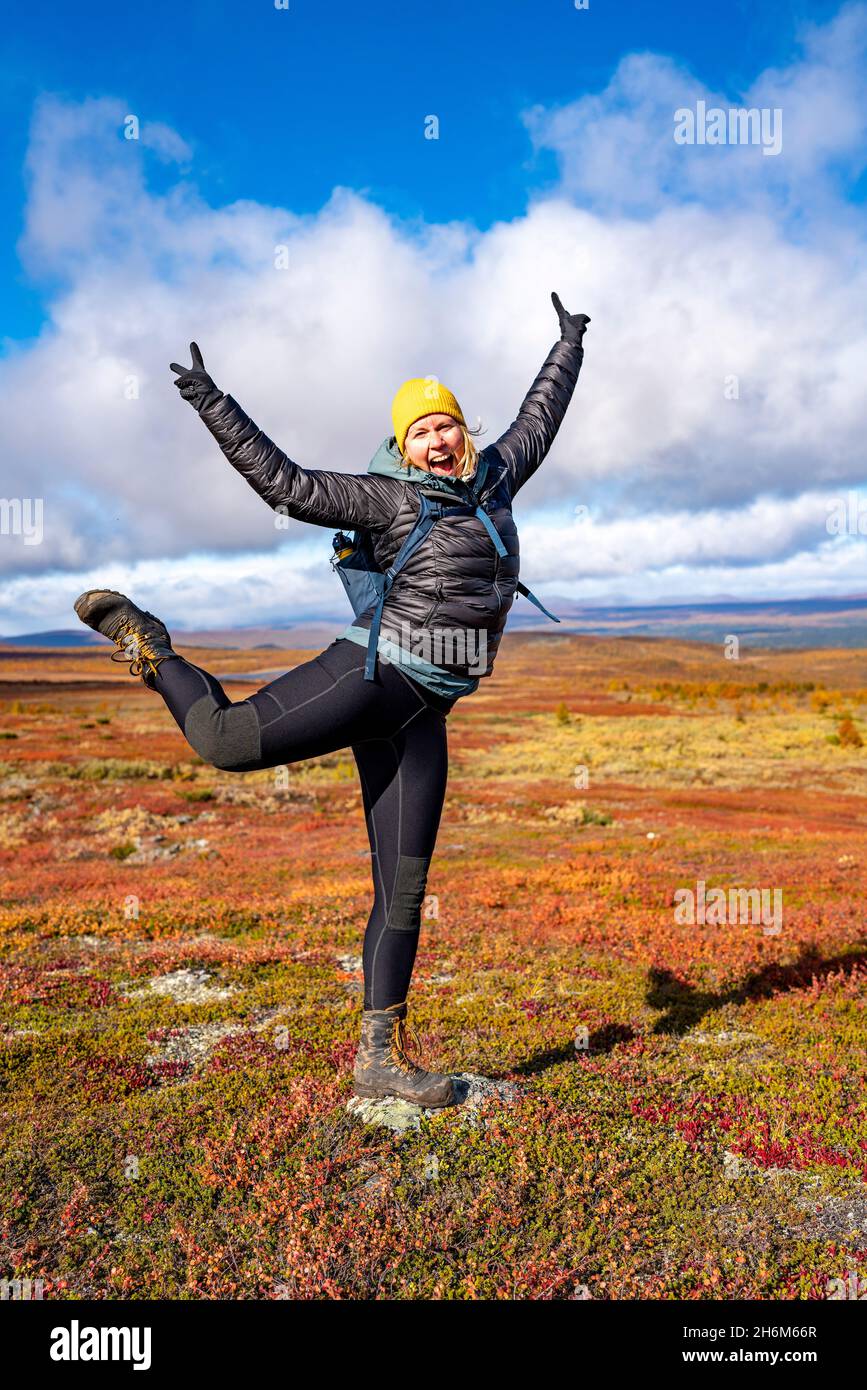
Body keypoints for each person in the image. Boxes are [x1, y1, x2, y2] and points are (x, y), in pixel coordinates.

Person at [73, 291, 590, 1109]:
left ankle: (379, 1059)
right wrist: (214, 402)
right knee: (224, 741)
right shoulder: (386, 497)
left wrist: (569, 343)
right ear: (403, 445)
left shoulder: (496, 478)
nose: (437, 439)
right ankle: (150, 645)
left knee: (404, 889)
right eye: (420, 431)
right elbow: (286, 486)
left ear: (464, 431)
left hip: (426, 712)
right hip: (373, 675)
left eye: (446, 425)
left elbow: (541, 416)